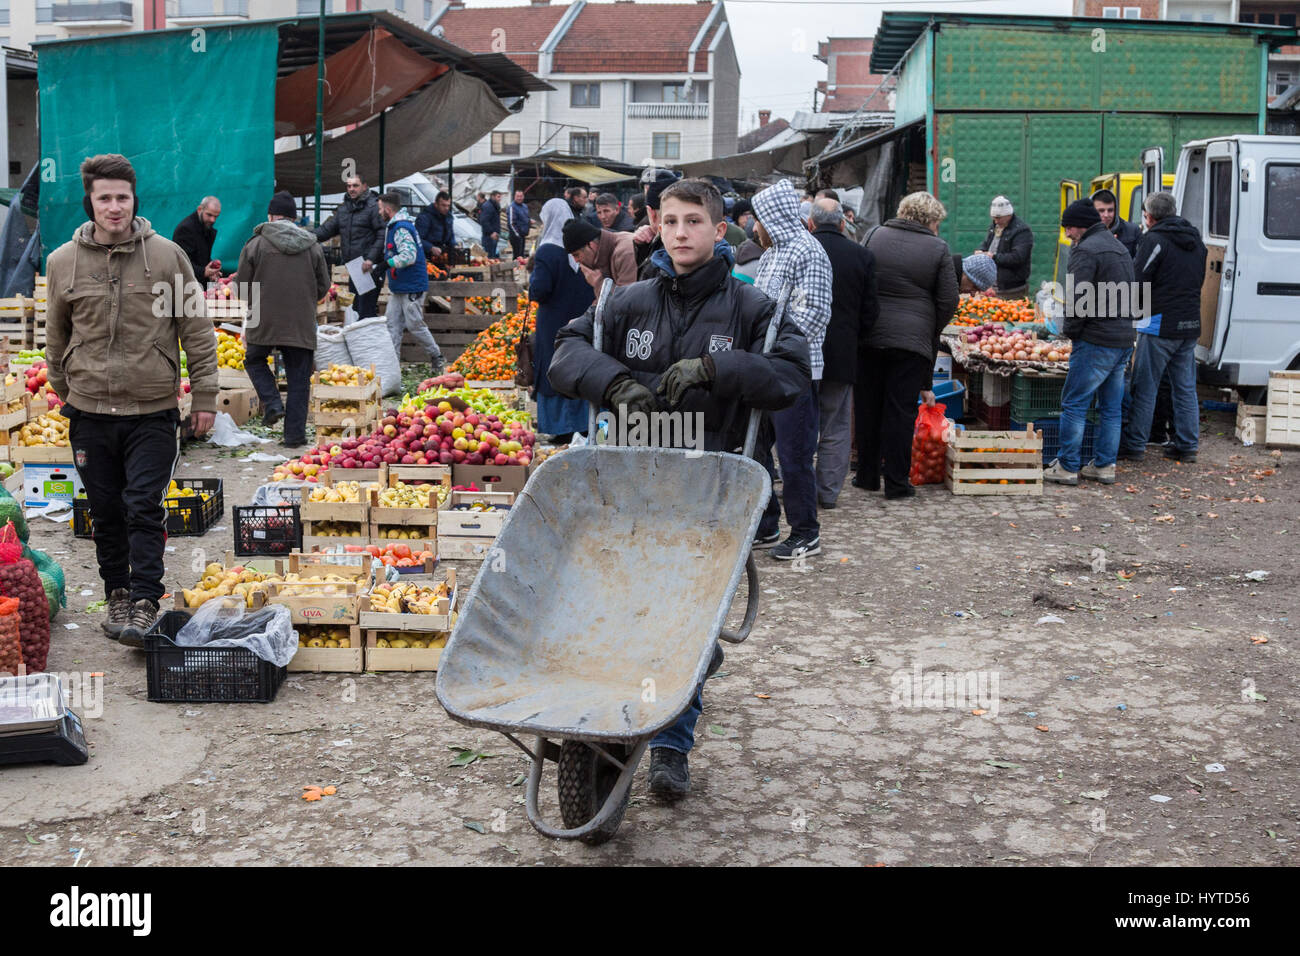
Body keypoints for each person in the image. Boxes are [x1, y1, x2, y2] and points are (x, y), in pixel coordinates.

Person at [548, 177, 810, 799]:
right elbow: (562, 355)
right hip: (629, 485)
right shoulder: (626, 303)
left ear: (721, 231)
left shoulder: (754, 310)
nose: (682, 232)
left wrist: (719, 367)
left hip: (712, 488)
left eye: (695, 221)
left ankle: (671, 743)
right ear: (655, 227)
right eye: (670, 221)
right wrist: (611, 381)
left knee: (687, 625)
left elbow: (791, 378)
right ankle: (613, 712)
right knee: (619, 612)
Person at [45, 153, 219, 646]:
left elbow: (197, 330)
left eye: (122, 197)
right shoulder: (63, 262)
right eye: (105, 198)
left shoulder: (165, 256)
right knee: (104, 510)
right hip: (90, 414)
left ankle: (145, 600)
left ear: (133, 199)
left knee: (143, 506)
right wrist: (68, 391)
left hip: (152, 411)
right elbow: (55, 340)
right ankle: (116, 594)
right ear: (90, 203)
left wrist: (204, 396)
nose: (114, 207)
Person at [857, 192, 959, 499]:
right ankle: (898, 483)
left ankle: (867, 476)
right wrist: (930, 323)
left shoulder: (874, 235)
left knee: (867, 408)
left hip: (871, 337)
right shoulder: (938, 248)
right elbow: (949, 299)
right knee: (900, 412)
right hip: (911, 342)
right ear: (929, 220)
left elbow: (860, 279)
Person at [751, 179, 833, 559]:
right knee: (755, 449)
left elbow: (812, 315)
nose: (754, 228)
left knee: (795, 455)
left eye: (758, 220)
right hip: (765, 372)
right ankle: (765, 524)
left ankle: (805, 532)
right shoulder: (770, 254)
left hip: (795, 374)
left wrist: (771, 345)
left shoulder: (808, 253)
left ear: (774, 218)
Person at [1044, 199, 1137, 486]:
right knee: (1110, 407)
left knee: (1074, 403)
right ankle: (1105, 466)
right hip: (1122, 338)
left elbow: (1077, 300)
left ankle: (1068, 466)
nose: (1068, 234)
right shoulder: (1119, 247)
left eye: (1068, 228)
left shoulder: (1085, 250)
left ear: (1078, 225)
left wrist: (1069, 332)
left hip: (1096, 339)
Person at [234, 190, 330, 448]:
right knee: (299, 378)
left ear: (271, 216)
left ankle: (273, 402)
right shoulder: (312, 246)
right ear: (294, 218)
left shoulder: (255, 244)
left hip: (262, 320)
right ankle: (294, 437)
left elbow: (242, 288)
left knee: (254, 360)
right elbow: (323, 287)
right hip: (300, 323)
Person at [1118, 191, 1207, 464]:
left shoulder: (1154, 240)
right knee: (1185, 387)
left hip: (1158, 323)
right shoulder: (1197, 241)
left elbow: (1137, 278)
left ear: (1150, 216)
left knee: (1146, 386)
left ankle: (1134, 445)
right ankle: (1187, 445)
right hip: (1190, 324)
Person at [808, 198, 879, 509]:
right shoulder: (861, 255)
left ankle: (799, 487)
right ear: (841, 223)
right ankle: (827, 493)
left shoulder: (801, 251)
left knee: (801, 423)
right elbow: (871, 311)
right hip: (842, 352)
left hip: (799, 353)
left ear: (811, 223)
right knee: (836, 425)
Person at [529, 198, 592, 438]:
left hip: (553, 320)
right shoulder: (580, 246)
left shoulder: (547, 251)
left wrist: (532, 278)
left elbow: (540, 290)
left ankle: (560, 427)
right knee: (579, 367)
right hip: (581, 317)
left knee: (553, 368)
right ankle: (582, 423)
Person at [378, 191, 441, 376]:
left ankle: (436, 355)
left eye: (380, 208)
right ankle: (392, 367)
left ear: (388, 209)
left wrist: (386, 264)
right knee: (392, 324)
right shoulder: (396, 226)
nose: (378, 212)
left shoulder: (401, 228)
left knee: (414, 324)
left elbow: (409, 256)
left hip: (411, 285)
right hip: (401, 285)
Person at [315, 174, 384, 318]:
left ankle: (368, 339)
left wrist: (370, 259)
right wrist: (306, 236)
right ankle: (361, 339)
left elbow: (382, 235)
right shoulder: (344, 209)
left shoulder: (373, 207)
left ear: (364, 186)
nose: (351, 189)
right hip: (354, 266)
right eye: (349, 186)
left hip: (367, 266)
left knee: (365, 309)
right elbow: (327, 230)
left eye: (355, 185)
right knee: (357, 308)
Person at [975, 195, 1034, 298]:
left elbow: (1018, 257)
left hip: (1012, 288)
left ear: (1008, 215)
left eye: (998, 218)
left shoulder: (1022, 231)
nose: (996, 221)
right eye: (993, 218)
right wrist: (981, 250)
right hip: (993, 285)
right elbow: (987, 242)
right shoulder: (995, 226)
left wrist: (993, 257)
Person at [565, 219, 638, 288]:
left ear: (591, 245)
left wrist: (598, 283)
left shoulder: (625, 253)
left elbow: (626, 298)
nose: (576, 260)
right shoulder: (602, 253)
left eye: (576, 255)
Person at [171, 196, 222, 285]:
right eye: (209, 215)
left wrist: (211, 270)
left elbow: (201, 257)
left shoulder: (205, 227)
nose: (212, 220)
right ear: (199, 209)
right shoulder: (185, 229)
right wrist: (203, 272)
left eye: (216, 216)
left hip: (198, 284)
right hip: (186, 286)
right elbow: (181, 263)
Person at [1093, 188, 1142, 257]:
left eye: (1110, 210)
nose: (1106, 215)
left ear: (1115, 210)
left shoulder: (1132, 231)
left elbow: (1139, 261)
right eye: (1101, 211)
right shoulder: (1085, 233)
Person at [415, 190, 457, 263]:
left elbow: (450, 235)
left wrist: (454, 245)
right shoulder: (425, 217)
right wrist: (431, 248)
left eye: (448, 205)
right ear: (436, 204)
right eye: (443, 205)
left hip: (441, 256)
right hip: (426, 257)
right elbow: (417, 238)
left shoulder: (448, 216)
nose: (446, 208)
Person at [507, 189, 531, 260]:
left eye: (521, 196)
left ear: (523, 196)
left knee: (521, 255)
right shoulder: (512, 207)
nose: (519, 198)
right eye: (518, 196)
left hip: (523, 234)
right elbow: (511, 223)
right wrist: (517, 234)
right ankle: (515, 269)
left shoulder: (525, 206)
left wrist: (529, 221)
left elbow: (525, 218)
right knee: (517, 256)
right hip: (516, 236)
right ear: (514, 197)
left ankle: (520, 269)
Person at [478, 189, 502, 258]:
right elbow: (484, 221)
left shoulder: (495, 206)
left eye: (500, 197)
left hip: (494, 235)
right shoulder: (487, 206)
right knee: (489, 257)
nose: (499, 199)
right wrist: (491, 232)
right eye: (498, 197)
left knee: (493, 256)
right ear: (492, 197)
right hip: (489, 237)